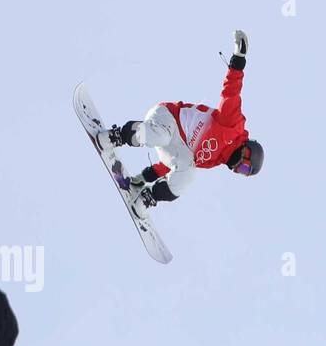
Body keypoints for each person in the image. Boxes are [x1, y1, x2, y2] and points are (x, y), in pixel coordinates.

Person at [106, 30, 263, 211]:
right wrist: (239, 58)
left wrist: (144, 177)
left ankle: (148, 198)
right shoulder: (233, 125)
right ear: (247, 152)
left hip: (175, 144)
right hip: (169, 118)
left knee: (188, 172)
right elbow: (231, 90)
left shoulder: (215, 160)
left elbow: (175, 161)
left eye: (242, 173)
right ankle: (118, 136)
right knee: (161, 137)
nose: (237, 170)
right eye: (243, 168)